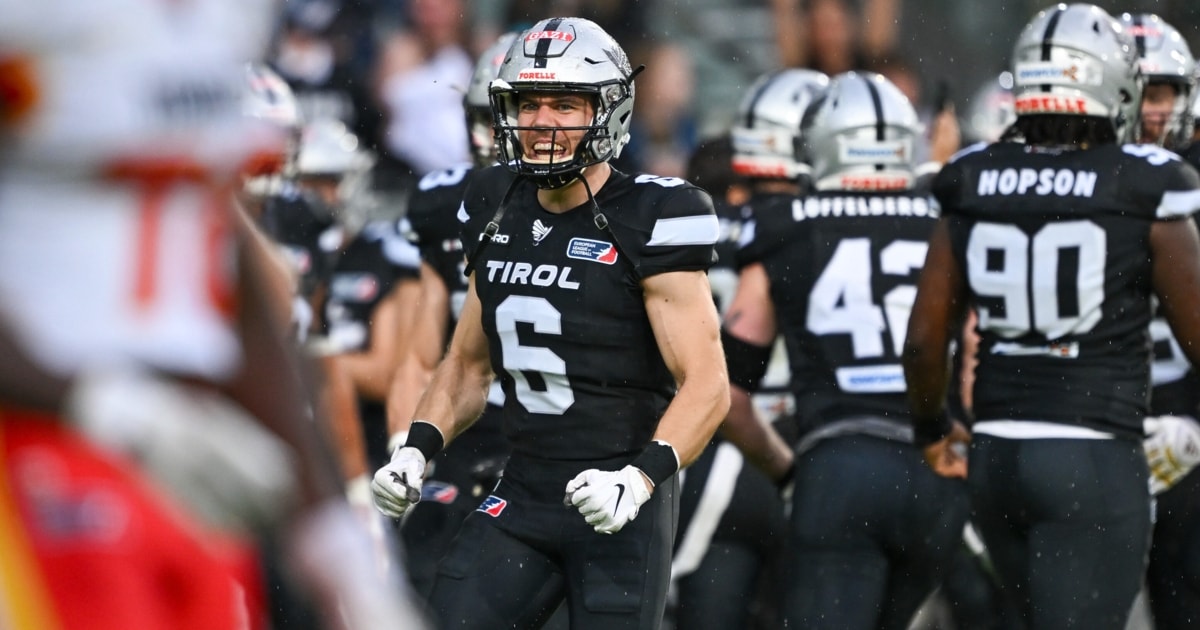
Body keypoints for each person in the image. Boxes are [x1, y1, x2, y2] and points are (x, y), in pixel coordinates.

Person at [0, 1, 424, 628]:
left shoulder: (237, 14)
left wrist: (333, 532)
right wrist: (98, 404)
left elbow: (217, 254)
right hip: (36, 441)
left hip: (200, 457)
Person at [372, 17, 730, 628]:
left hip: (617, 495)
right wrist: (416, 449)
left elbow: (708, 384)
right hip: (524, 487)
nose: (542, 122)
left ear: (609, 109)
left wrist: (638, 481)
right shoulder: (491, 201)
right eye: (529, 103)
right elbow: (466, 363)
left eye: (565, 104)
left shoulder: (652, 213)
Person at [903, 4, 1200, 629]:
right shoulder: (1145, 181)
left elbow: (927, 341)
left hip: (998, 460)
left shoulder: (973, 177)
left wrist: (932, 429)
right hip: (1092, 458)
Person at [723, 71, 968, 630]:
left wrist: (789, 475)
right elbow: (975, 355)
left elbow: (730, 396)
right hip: (935, 471)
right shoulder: (946, 217)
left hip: (839, 469)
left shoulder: (782, 224)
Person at [385, 31, 520, 600]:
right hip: (463, 430)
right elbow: (421, 354)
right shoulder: (447, 203)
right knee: (425, 584)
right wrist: (404, 449)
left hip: (558, 436)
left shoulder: (600, 209)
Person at [1119, 13, 1200, 630]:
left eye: (1162, 91)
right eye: (1140, 90)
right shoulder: (1074, 184)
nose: (1151, 109)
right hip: (1100, 424)